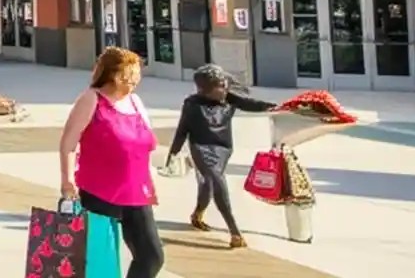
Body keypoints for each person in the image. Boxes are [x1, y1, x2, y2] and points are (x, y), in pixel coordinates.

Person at [59, 47, 164, 278]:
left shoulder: (135, 102)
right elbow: (68, 143)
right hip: (99, 191)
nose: (135, 81)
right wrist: (67, 182)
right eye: (130, 75)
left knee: (151, 256)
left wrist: (151, 180)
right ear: (114, 75)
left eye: (137, 75)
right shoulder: (91, 100)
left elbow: (144, 147)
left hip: (136, 191)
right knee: (100, 260)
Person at [168, 64, 277, 248]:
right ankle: (234, 232)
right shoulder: (192, 104)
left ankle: (197, 214)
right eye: (219, 86)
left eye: (224, 84)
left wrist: (275, 107)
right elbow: (182, 131)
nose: (224, 89)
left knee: (208, 185)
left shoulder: (229, 99)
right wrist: (173, 154)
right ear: (204, 90)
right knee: (216, 180)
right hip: (201, 147)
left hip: (223, 148)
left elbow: (252, 105)